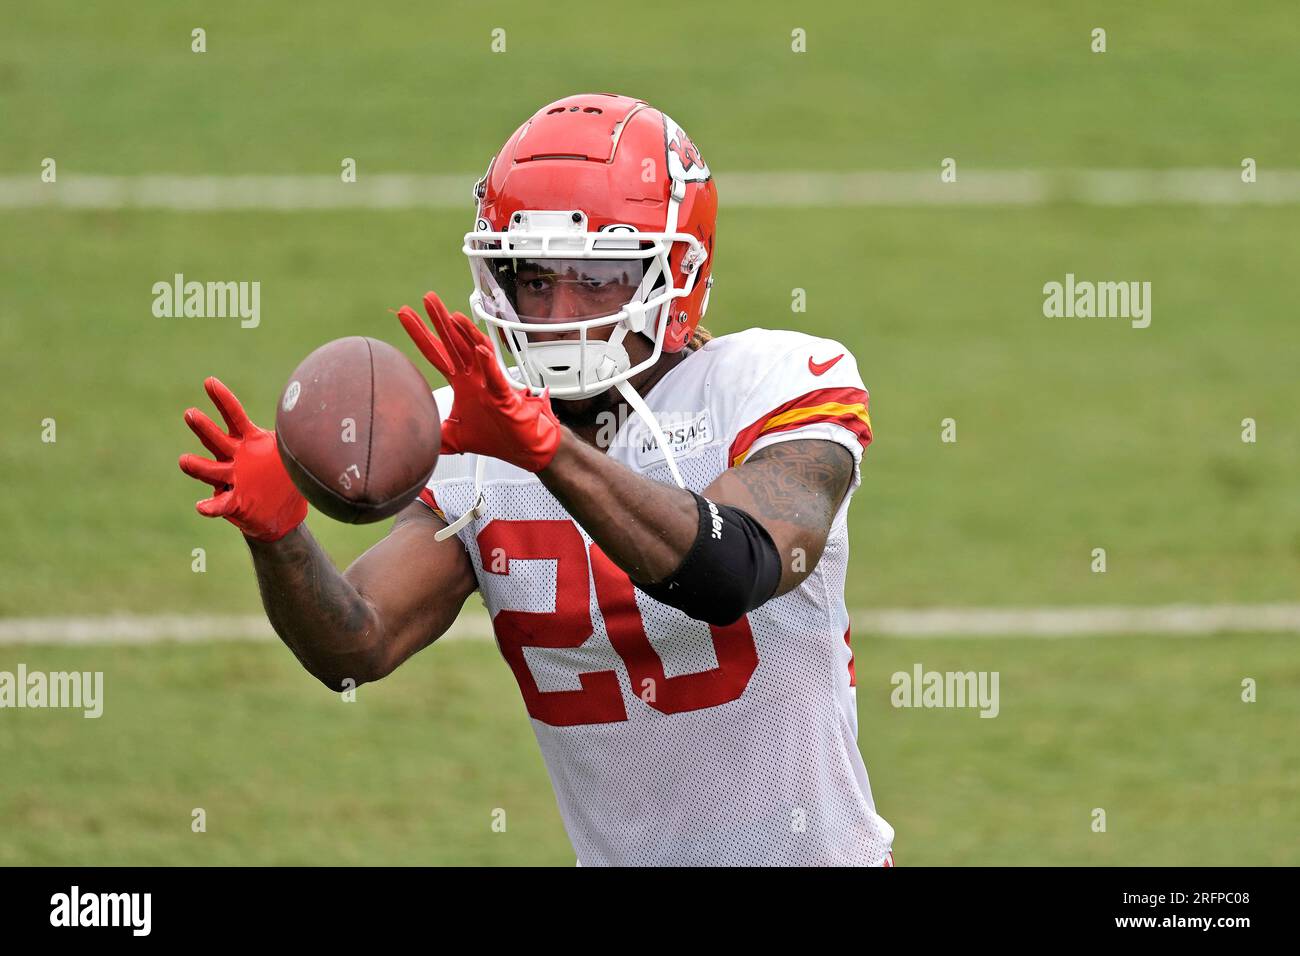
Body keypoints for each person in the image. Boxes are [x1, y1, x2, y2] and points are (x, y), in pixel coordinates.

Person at [178, 93, 894, 866]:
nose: (559, 309)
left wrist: (546, 451)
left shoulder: (769, 387)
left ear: (679, 270)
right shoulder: (469, 436)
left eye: (597, 274)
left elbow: (736, 568)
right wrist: (279, 535)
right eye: (532, 276)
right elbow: (357, 647)